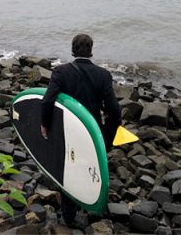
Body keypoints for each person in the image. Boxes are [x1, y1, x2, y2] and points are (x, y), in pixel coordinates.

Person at [40, 33, 122, 227]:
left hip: (67, 129)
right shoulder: (103, 75)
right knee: (89, 164)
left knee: (70, 167)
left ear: (72, 49)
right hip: (92, 130)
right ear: (91, 50)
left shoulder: (60, 72)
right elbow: (114, 111)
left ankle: (68, 216)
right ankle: (91, 201)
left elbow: (47, 101)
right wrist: (107, 137)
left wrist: (46, 124)